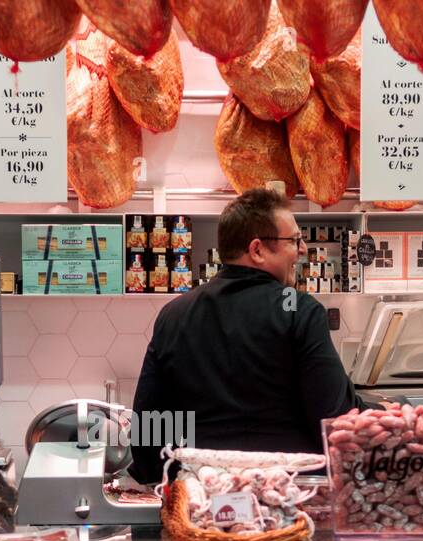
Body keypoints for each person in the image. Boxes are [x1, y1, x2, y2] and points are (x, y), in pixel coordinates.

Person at [128, 188, 355, 484]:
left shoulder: (174, 315)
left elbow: (149, 432)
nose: (302, 250)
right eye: (294, 241)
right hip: (287, 501)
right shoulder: (300, 309)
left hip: (203, 504)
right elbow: (333, 422)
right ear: (257, 249)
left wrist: (154, 477)